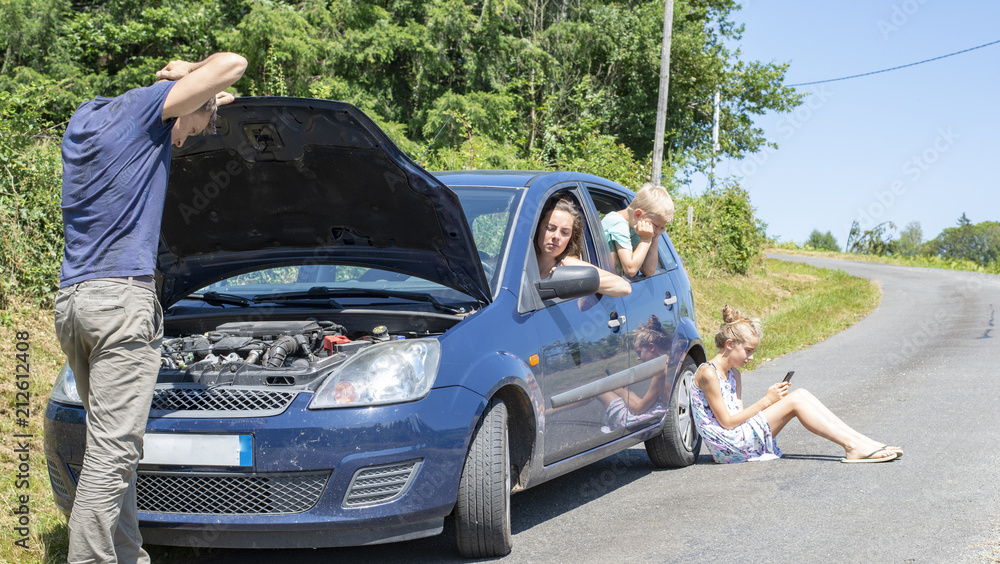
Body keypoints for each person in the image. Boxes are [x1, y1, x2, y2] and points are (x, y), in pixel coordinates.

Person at [54, 52, 248, 563]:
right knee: (114, 454)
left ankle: (127, 556)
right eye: (198, 126)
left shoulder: (87, 117)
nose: (185, 141)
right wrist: (191, 69)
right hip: (121, 302)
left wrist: (207, 98)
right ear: (179, 103)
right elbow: (234, 61)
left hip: (74, 302)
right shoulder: (149, 112)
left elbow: (216, 91)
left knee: (110, 448)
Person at [691, 305, 903, 464]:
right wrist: (767, 401)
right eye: (748, 351)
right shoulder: (708, 372)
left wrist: (770, 402)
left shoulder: (734, 374)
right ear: (730, 344)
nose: (751, 358)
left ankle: (863, 442)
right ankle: (853, 446)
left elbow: (739, 416)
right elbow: (728, 423)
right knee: (796, 400)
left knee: (800, 394)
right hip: (728, 447)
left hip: (738, 436)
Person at [535, 196, 631, 297]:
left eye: (565, 232)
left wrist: (573, 277)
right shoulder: (521, 257)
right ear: (538, 227)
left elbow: (624, 287)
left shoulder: (567, 263)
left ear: (571, 237)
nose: (556, 236)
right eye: (550, 228)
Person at [599, 315, 670, 431]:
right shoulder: (668, 361)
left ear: (652, 347)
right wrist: (625, 392)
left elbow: (638, 410)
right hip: (655, 412)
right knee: (626, 392)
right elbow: (647, 402)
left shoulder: (660, 370)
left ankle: (557, 408)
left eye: (639, 352)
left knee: (600, 389)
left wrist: (621, 392)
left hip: (643, 419)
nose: (638, 358)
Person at [600, 183, 674, 278]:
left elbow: (648, 270)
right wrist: (645, 240)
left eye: (661, 228)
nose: (656, 232)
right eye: (655, 226)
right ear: (638, 215)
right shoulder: (617, 222)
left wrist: (655, 238)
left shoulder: (632, 228)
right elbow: (630, 269)